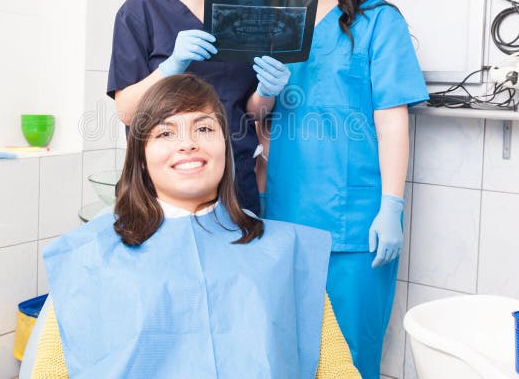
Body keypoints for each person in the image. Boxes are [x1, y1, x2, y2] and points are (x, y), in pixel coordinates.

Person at [30, 74, 361, 378]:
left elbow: (336, 368)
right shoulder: (89, 258)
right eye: (165, 132)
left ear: (225, 147)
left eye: (203, 129)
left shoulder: (285, 252)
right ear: (141, 158)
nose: (188, 143)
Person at [263, 0, 429, 378]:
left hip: (353, 222)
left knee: (350, 358)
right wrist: (263, 95)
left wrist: (391, 206)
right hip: (286, 214)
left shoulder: (379, 21)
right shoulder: (279, 20)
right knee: (292, 355)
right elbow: (260, 119)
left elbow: (393, 120)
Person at [107, 0, 290, 215]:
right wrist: (171, 67)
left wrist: (267, 91)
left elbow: (251, 114)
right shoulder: (141, 12)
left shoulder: (244, 14)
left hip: (235, 187)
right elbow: (127, 112)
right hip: (163, 193)